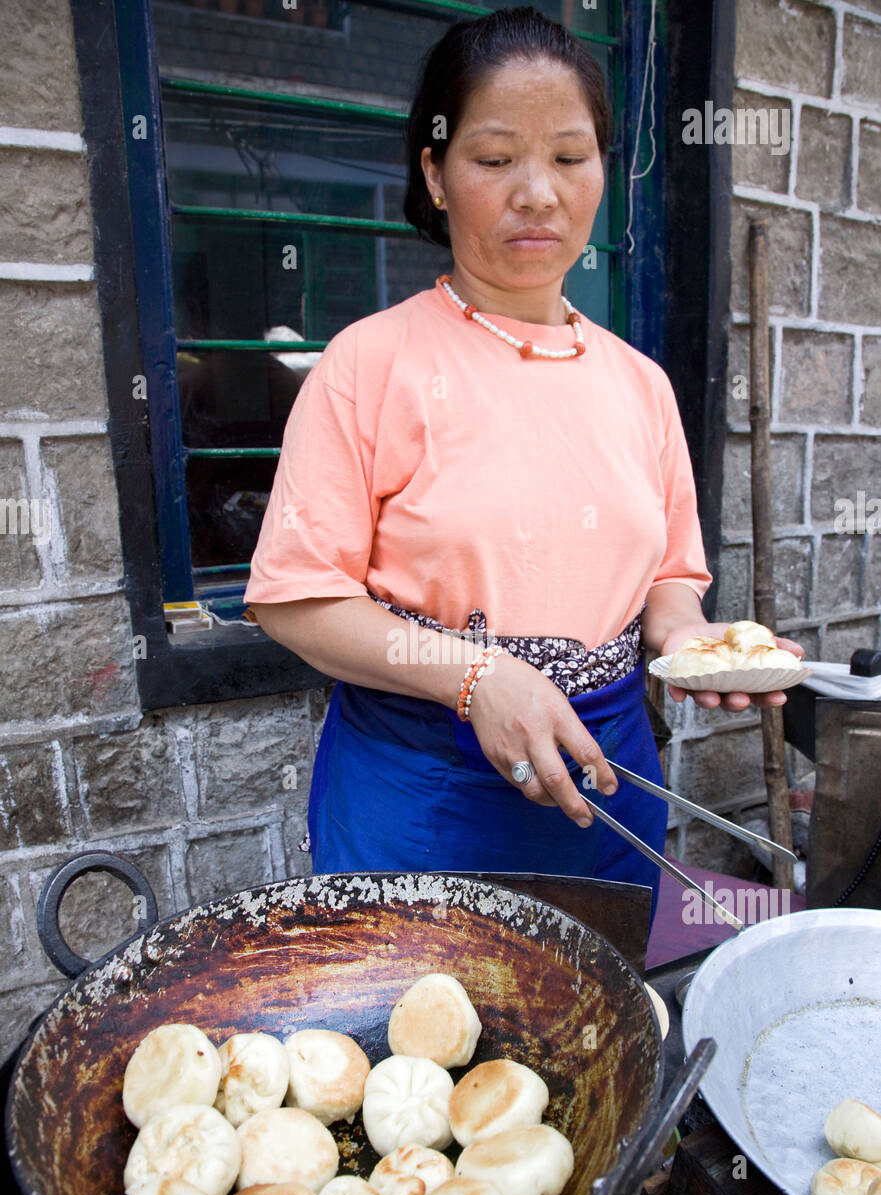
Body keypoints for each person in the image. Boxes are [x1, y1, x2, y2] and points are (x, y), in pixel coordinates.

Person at [244, 7, 803, 929]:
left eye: (570, 157)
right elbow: (295, 597)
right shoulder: (369, 364)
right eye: (495, 158)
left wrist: (698, 646)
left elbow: (666, 582)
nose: (536, 192)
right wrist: (476, 678)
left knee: (597, 1034)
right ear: (434, 170)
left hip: (605, 772)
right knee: (421, 1052)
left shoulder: (640, 384)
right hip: (424, 787)